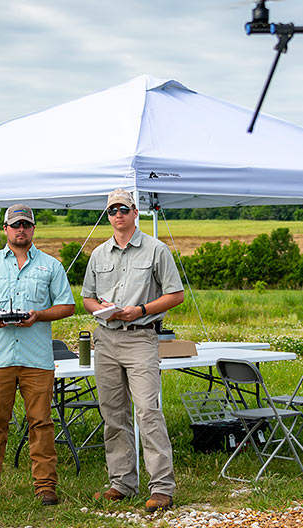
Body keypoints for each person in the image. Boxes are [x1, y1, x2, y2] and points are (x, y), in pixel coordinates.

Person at [81, 188, 184, 513]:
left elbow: (176, 294)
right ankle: (121, 483)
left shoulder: (156, 250)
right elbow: (87, 297)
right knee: (113, 415)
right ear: (107, 215)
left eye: (123, 208)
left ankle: (162, 487)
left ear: (135, 212)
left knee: (148, 412)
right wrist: (101, 308)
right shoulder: (98, 254)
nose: (118, 215)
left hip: (141, 337)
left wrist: (140, 310)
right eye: (112, 210)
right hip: (107, 337)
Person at [0, 204, 74, 505]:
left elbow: (67, 306)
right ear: (5, 229)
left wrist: (38, 315)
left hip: (37, 358)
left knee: (41, 422)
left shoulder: (51, 266)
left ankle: (45, 487)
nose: (21, 230)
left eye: (26, 225)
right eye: (15, 225)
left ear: (33, 229)